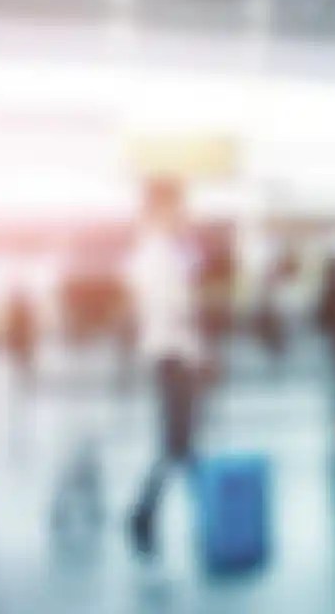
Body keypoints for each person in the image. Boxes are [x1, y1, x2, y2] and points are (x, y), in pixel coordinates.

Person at [125, 176, 207, 558]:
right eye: (176, 207)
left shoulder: (161, 252)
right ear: (159, 209)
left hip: (173, 356)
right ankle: (143, 515)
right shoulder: (155, 255)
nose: (182, 215)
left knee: (183, 444)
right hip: (173, 357)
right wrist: (197, 356)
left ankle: (195, 514)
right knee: (178, 444)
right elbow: (174, 312)